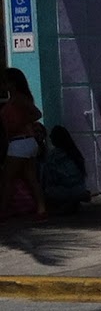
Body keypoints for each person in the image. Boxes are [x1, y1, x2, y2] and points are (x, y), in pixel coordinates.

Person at [1, 67, 47, 221]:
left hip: (19, 142)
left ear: (13, 84)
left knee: (8, 178)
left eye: (6, 82)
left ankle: (3, 210)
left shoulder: (18, 98)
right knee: (31, 178)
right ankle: (41, 209)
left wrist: (20, 123)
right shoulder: (18, 98)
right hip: (26, 142)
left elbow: (37, 113)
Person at [41, 125, 91, 214]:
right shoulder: (75, 152)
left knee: (46, 191)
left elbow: (51, 177)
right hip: (80, 189)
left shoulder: (53, 156)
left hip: (63, 190)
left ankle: (64, 204)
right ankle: (73, 201)